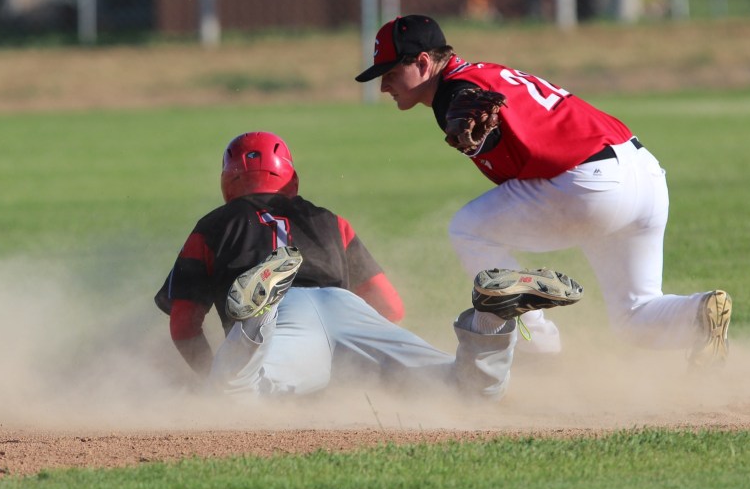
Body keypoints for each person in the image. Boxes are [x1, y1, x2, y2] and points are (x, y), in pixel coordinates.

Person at [354, 14, 730, 367]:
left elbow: (479, 117)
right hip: (644, 176)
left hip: (590, 183)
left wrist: (478, 136)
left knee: (468, 229)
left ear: (422, 62)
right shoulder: (488, 73)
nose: (383, 84)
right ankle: (700, 312)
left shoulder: (455, 90)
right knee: (634, 316)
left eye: (389, 71)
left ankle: (538, 342)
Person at [154, 131, 584, 400]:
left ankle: (255, 318)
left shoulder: (213, 225)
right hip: (349, 308)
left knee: (234, 394)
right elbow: (390, 307)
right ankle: (491, 316)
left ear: (228, 183)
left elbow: (185, 325)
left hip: (285, 316)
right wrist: (361, 360)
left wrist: (209, 380)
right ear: (292, 179)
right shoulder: (328, 220)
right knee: (462, 389)